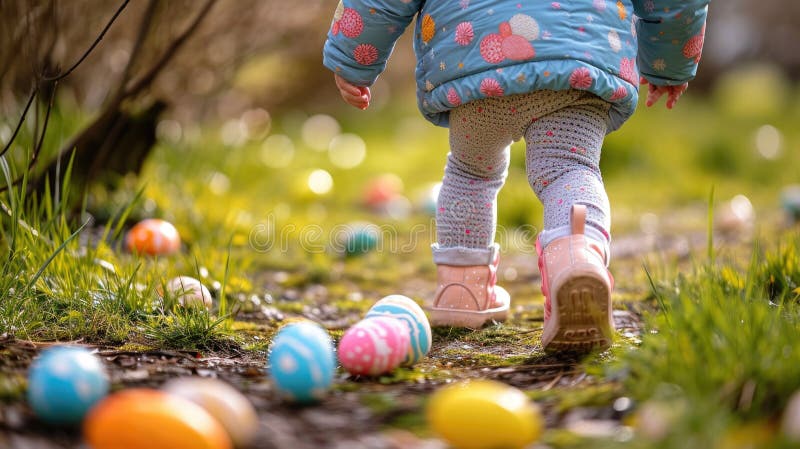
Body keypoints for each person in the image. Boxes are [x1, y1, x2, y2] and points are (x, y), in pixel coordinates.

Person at [323, 0, 708, 352]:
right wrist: (670, 64)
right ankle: (577, 258)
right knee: (567, 169)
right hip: (578, 57)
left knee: (471, 174)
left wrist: (353, 60)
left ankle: (461, 291)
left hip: (474, 60)